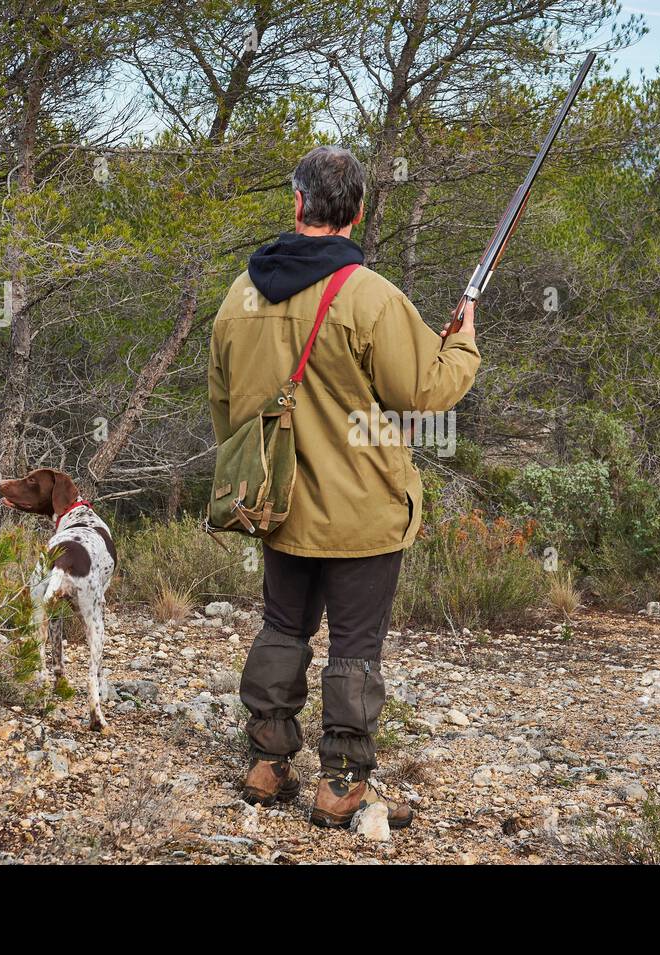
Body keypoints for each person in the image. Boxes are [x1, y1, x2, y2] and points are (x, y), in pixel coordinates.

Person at [207, 145, 480, 829]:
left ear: (297, 204)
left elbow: (226, 403)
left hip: (274, 502)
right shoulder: (372, 297)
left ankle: (267, 763)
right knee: (355, 647)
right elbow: (425, 390)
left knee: (280, 628)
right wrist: (463, 344)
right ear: (356, 212)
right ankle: (340, 783)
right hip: (363, 513)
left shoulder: (239, 296)